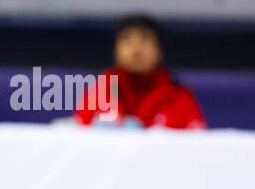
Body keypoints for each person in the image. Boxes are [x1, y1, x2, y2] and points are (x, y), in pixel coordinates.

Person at [75, 15, 205, 129]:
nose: (136, 50)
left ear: (159, 50)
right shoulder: (98, 93)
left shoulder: (179, 98)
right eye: (127, 40)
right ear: (115, 51)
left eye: (145, 39)